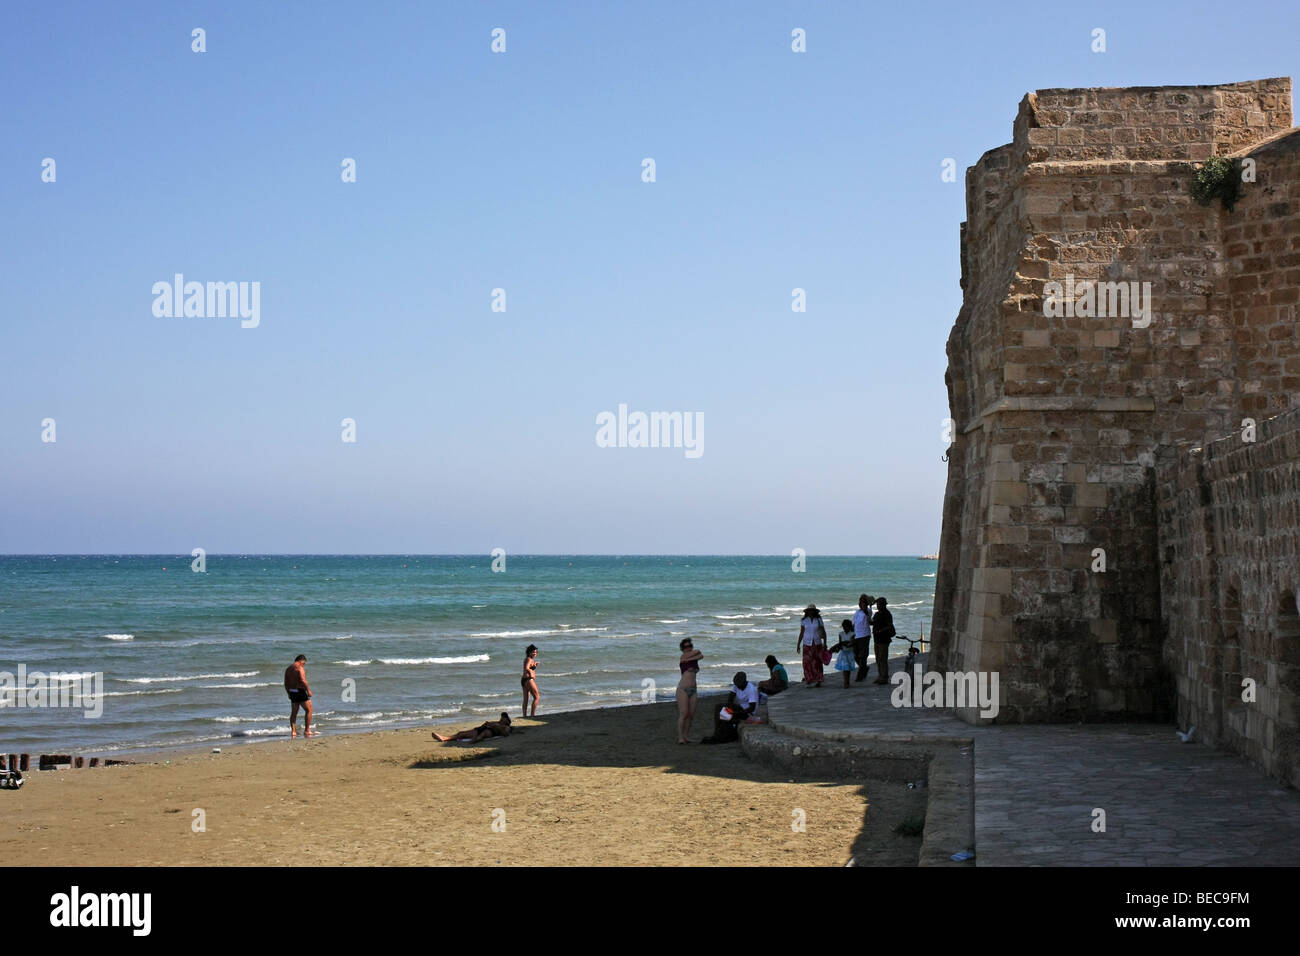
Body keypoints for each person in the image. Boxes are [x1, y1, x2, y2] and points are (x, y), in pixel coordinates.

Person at [701, 672, 760, 744]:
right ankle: (717, 731)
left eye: (739, 685)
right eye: (736, 684)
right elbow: (730, 699)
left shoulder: (751, 689)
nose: (737, 686)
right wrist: (728, 708)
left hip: (748, 712)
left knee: (725, 712)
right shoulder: (736, 686)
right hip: (740, 708)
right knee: (719, 707)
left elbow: (752, 708)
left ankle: (719, 734)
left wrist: (735, 713)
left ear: (745, 682)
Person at [676, 637, 703, 744]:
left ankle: (686, 736)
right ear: (682, 649)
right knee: (684, 713)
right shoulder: (683, 656)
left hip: (693, 689)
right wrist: (690, 658)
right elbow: (694, 655)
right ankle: (680, 737)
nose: (689, 648)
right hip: (683, 689)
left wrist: (690, 659)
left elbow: (700, 654)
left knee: (691, 715)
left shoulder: (693, 657)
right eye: (686, 647)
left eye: (690, 646)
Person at [284, 654, 316, 738]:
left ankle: (293, 731)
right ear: (301, 660)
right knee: (309, 710)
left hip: (292, 692)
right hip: (300, 691)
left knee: (294, 712)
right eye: (304, 663)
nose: (303, 665)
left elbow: (286, 683)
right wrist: (308, 690)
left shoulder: (288, 669)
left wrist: (288, 693)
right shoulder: (299, 668)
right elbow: (302, 680)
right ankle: (307, 731)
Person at [796, 604, 827, 687]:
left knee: (817, 662)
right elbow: (801, 633)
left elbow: (823, 631)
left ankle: (818, 680)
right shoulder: (804, 620)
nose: (811, 612)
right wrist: (798, 644)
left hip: (817, 643)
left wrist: (825, 643)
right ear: (807, 611)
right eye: (810, 610)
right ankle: (809, 679)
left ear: (815, 611)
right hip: (807, 643)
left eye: (812, 610)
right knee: (807, 663)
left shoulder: (819, 620)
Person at [432, 712, 514, 743]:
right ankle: (444, 738)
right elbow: (483, 726)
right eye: (502, 717)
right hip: (481, 729)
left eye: (504, 717)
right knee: (461, 733)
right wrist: (486, 724)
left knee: (483, 734)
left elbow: (506, 734)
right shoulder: (497, 722)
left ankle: (474, 740)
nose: (501, 718)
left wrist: (496, 726)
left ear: (507, 721)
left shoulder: (506, 727)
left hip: (490, 732)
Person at [871, 597, 896, 685]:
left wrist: (881, 630)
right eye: (877, 604)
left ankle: (884, 677)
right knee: (878, 659)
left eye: (879, 604)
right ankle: (880, 675)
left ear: (884, 605)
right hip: (876, 639)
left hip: (884, 640)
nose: (878, 606)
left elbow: (890, 626)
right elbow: (872, 622)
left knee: (883, 659)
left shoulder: (887, 614)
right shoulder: (877, 614)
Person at [852, 594, 874, 682]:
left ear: (866, 604)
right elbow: (854, 624)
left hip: (865, 635)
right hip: (856, 636)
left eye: (862, 602)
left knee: (863, 656)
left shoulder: (868, 611)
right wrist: (852, 634)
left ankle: (860, 676)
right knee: (855, 655)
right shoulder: (857, 612)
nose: (860, 604)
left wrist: (867, 605)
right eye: (860, 602)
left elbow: (868, 616)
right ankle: (864, 668)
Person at [830, 619, 857, 688]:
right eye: (844, 626)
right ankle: (846, 682)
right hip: (843, 652)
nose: (845, 628)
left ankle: (847, 681)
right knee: (845, 668)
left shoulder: (853, 634)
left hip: (850, 652)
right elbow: (840, 644)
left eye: (846, 626)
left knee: (848, 669)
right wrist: (838, 649)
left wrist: (846, 644)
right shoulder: (841, 634)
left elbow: (852, 644)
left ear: (849, 626)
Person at [521, 644, 539, 718]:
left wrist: (534, 667)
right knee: (537, 697)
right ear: (529, 652)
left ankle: (524, 716)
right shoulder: (529, 659)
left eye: (536, 652)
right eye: (533, 652)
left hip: (524, 680)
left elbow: (529, 667)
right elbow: (526, 668)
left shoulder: (528, 659)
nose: (535, 653)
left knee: (526, 699)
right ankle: (532, 715)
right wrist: (531, 673)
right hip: (528, 680)